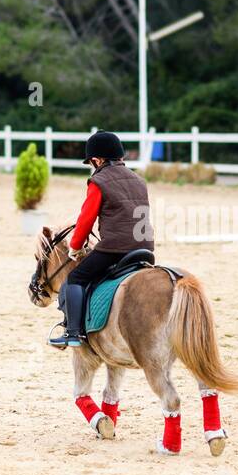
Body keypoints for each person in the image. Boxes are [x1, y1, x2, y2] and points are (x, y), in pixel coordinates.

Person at [50, 131, 155, 348]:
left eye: (92, 163)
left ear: (97, 160)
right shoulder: (139, 180)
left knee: (76, 278)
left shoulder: (98, 181)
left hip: (115, 249)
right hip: (145, 248)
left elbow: (85, 220)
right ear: (121, 157)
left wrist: (75, 247)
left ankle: (74, 333)